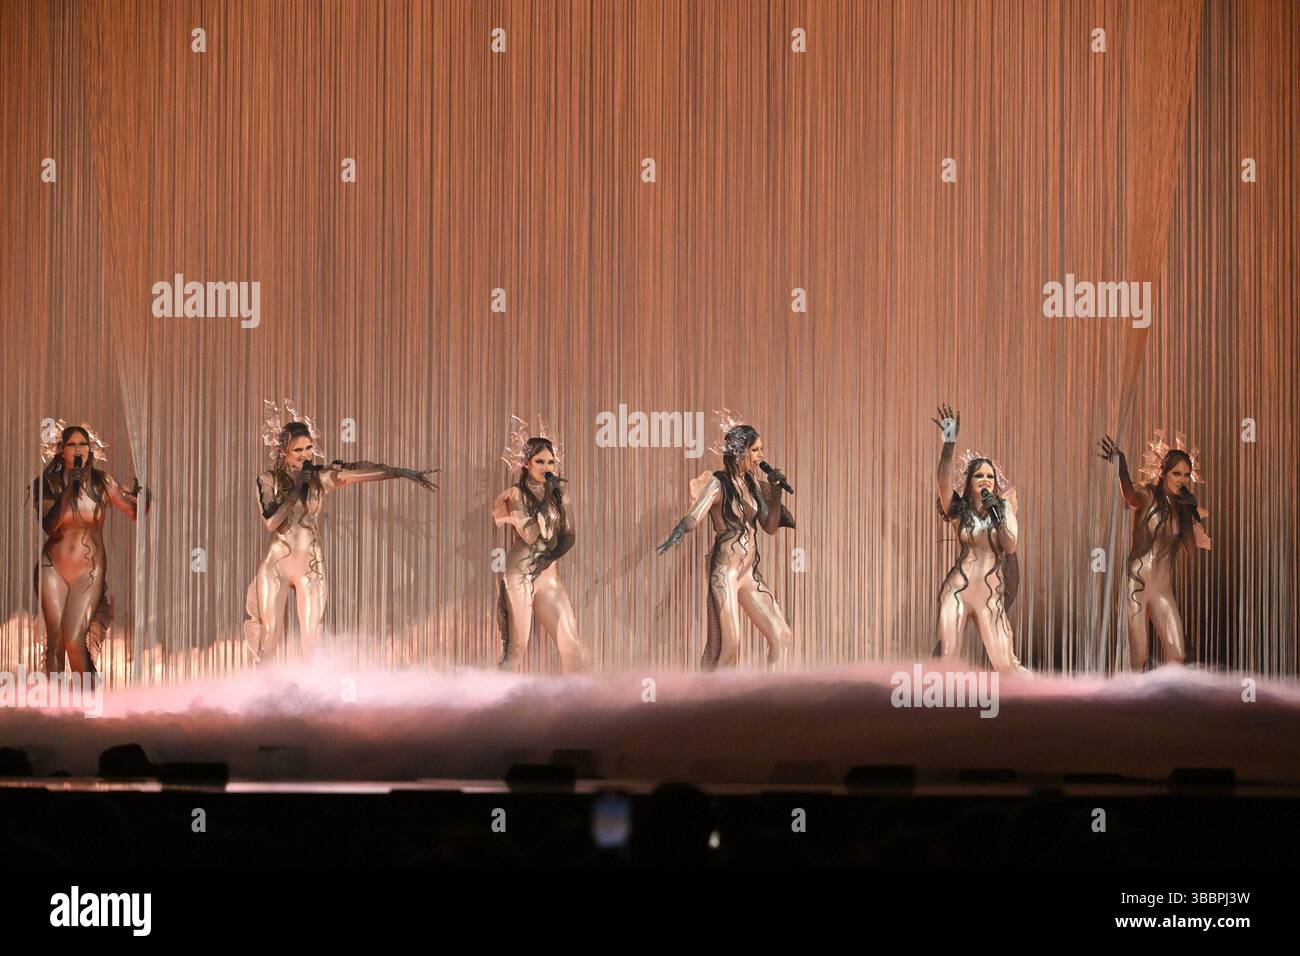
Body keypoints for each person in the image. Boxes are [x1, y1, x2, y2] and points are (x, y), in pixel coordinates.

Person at [244, 401, 437, 663]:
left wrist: (400, 472)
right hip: (275, 565)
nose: (305, 454)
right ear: (283, 452)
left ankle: (311, 697)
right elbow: (271, 522)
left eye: (309, 448)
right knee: (269, 636)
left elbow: (358, 474)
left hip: (310, 565)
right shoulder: (268, 479)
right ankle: (262, 696)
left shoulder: (320, 478)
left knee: (313, 638)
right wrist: (295, 488)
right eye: (297, 449)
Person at [657, 418, 794, 670]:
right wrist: (676, 533)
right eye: (755, 450)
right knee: (730, 644)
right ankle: (716, 703)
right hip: (725, 572)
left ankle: (776, 701)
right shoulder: (718, 483)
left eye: (760, 450)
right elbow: (694, 516)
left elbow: (770, 527)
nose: (760, 456)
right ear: (739, 452)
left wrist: (776, 492)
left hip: (749, 572)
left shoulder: (752, 485)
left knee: (781, 634)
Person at [33, 422, 148, 674]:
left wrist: (143, 497)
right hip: (52, 567)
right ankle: (53, 709)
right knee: (55, 640)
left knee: (74, 639)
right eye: (71, 444)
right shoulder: (47, 482)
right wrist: (67, 492)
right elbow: (49, 525)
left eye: (82, 444)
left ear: (90, 450)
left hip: (89, 571)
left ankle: (86, 705)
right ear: (61, 451)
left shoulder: (102, 482)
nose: (77, 449)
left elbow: (135, 513)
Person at [1098, 430, 1209, 668]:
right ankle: (1132, 701)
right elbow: (1130, 497)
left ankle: (1168, 702)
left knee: (1177, 654)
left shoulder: (1183, 507)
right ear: (1163, 473)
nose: (1181, 479)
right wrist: (1122, 468)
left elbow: (1190, 547)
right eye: (1176, 473)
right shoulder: (1147, 495)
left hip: (1163, 587)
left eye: (1186, 475)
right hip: (1136, 584)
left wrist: (1189, 513)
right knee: (1138, 657)